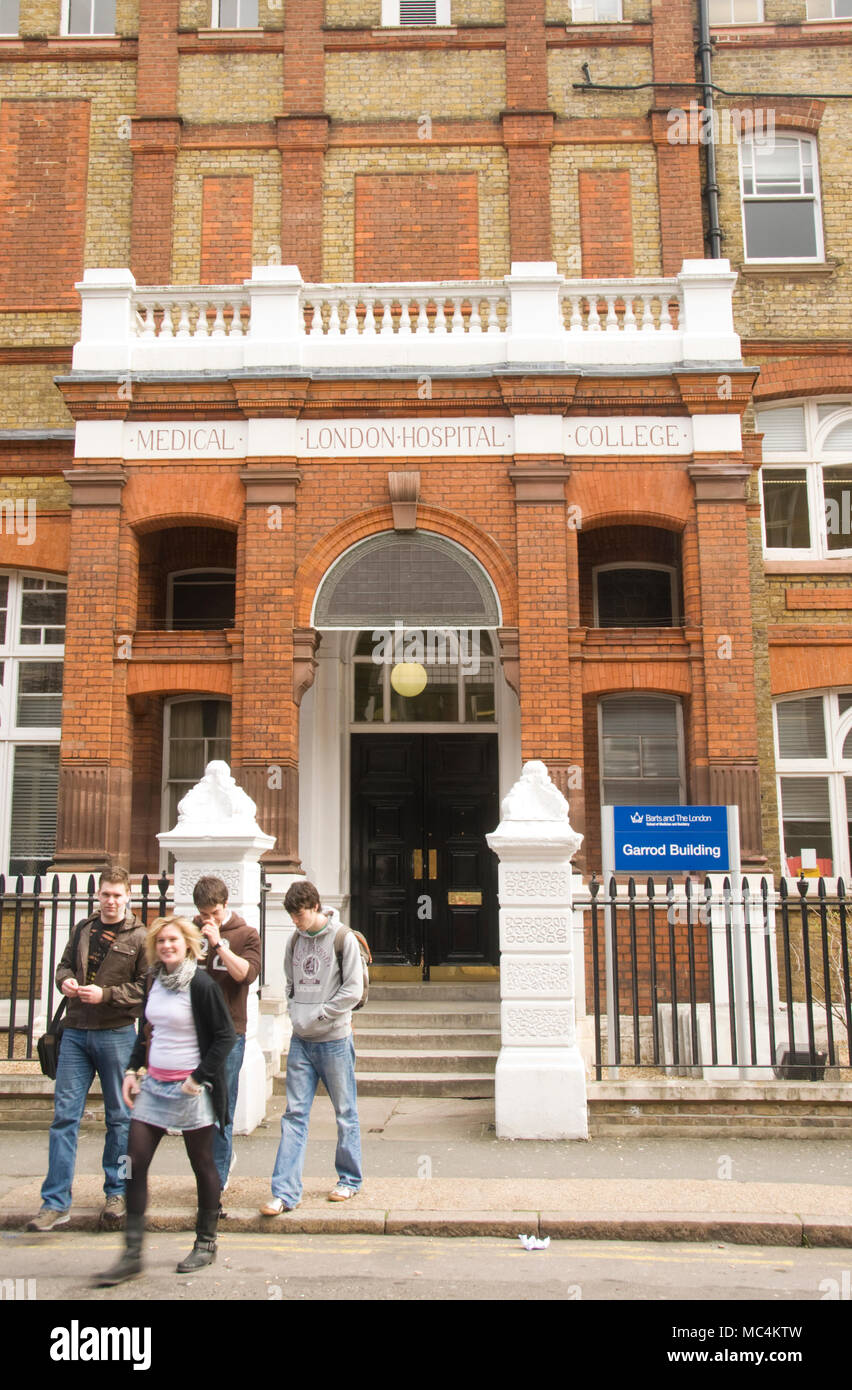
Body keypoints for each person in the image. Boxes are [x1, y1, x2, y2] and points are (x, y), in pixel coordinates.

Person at [95, 914, 236, 1286]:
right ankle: (131, 1254)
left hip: (190, 1090)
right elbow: (148, 1031)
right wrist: (132, 1069)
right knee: (133, 1162)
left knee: (202, 1164)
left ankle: (206, 1242)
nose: (167, 946)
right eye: (160, 941)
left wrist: (199, 1078)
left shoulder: (201, 984)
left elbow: (225, 1036)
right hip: (155, 1087)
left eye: (173, 940)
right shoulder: (153, 980)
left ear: (187, 944)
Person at [28, 865, 147, 1233]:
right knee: (64, 1118)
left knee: (121, 1119)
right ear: (98, 895)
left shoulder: (140, 936)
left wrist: (106, 994)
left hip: (117, 1033)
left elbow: (146, 987)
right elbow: (63, 966)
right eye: (105, 894)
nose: (110, 901)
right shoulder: (83, 929)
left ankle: (119, 1191)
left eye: (117, 895)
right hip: (76, 1032)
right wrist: (65, 981)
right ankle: (55, 1202)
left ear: (128, 897)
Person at [260, 880, 363, 1216]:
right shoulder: (295, 939)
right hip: (301, 1041)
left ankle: (349, 1179)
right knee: (294, 1114)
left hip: (334, 1040)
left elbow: (353, 990)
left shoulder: (342, 938)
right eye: (291, 915)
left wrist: (321, 1014)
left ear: (316, 907)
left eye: (300, 914)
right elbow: (290, 981)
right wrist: (296, 1012)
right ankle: (285, 1192)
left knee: (345, 1112)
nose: (296, 921)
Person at [192, 875, 261, 1195]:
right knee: (197, 1107)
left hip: (230, 1031)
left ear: (226, 904)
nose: (209, 920)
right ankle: (214, 1164)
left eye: (215, 913)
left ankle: (215, 1181)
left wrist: (218, 942)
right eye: (204, 914)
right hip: (195, 1031)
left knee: (221, 1105)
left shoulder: (246, 934)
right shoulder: (189, 931)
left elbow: (246, 975)